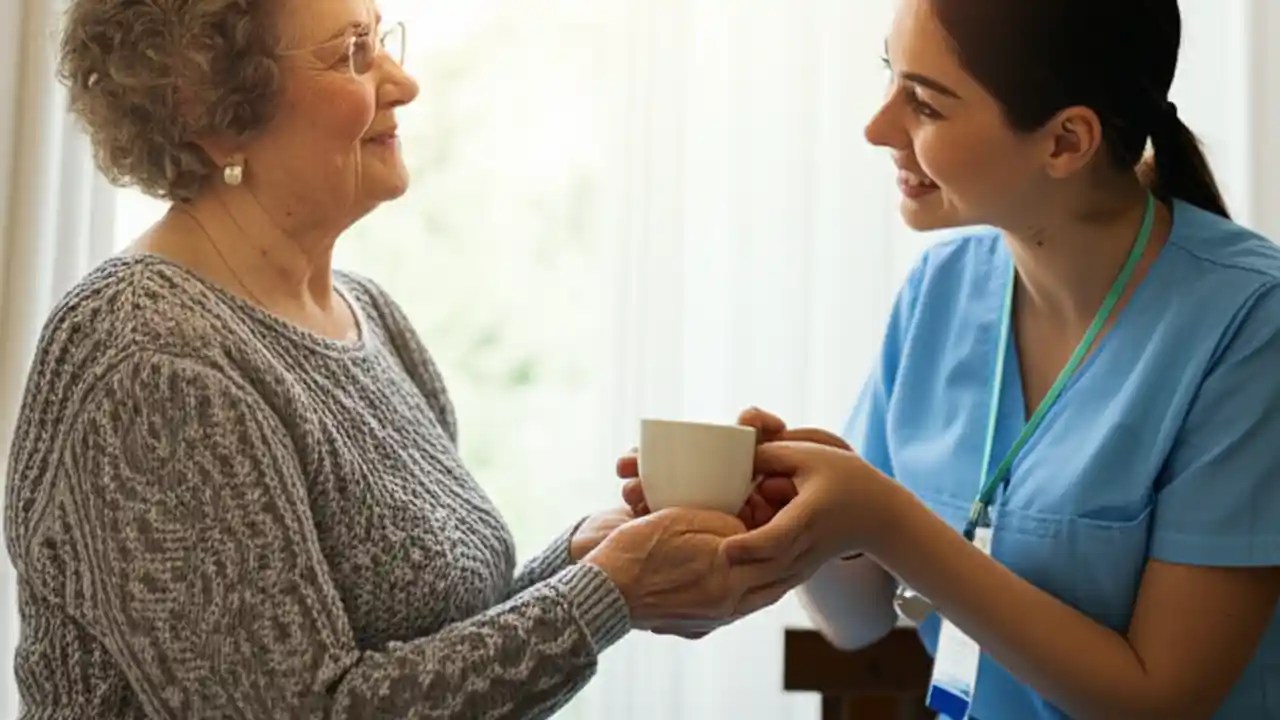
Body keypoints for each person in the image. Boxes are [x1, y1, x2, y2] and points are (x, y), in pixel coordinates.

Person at [2, 1, 793, 717]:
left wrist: (590, 552)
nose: (405, 83)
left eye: (383, 40)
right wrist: (608, 591)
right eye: (352, 54)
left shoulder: (370, 315)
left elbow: (443, 656)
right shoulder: (151, 360)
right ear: (208, 110)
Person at [625, 0, 1280, 717]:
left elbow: (1161, 702)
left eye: (925, 105)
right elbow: (859, 621)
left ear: (1066, 141)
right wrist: (809, 522)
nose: (876, 129)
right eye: (889, 79)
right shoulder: (940, 289)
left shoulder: (1251, 325)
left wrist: (884, 520)